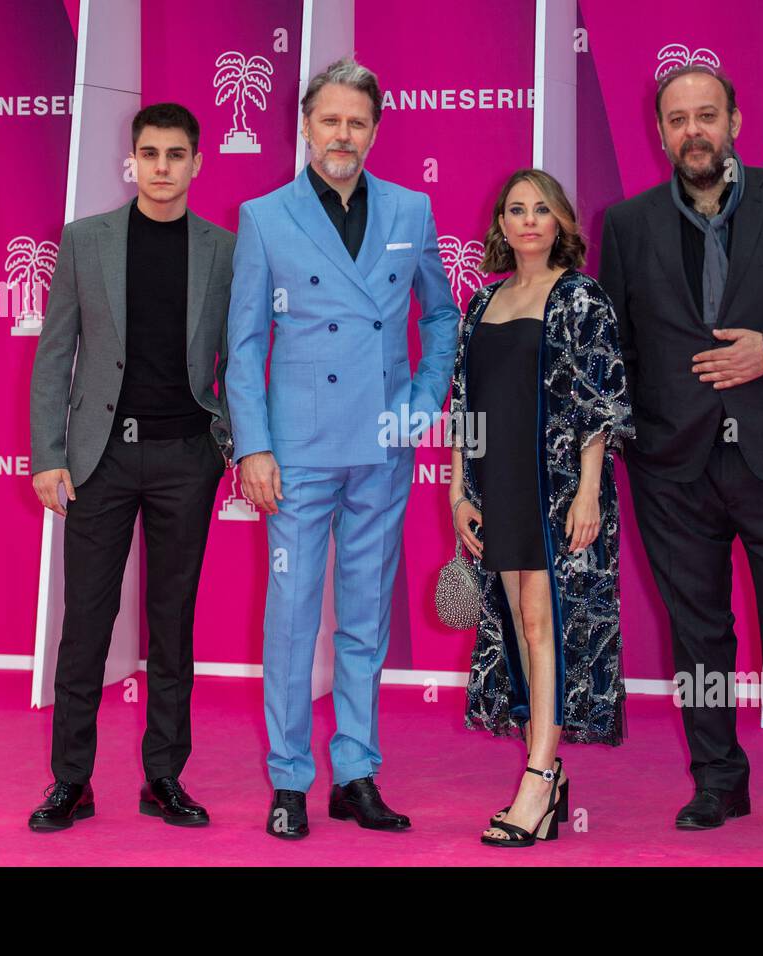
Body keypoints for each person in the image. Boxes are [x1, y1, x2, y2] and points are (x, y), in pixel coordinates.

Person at [599, 65, 763, 844]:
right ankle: (718, 781)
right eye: (678, 119)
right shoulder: (628, 223)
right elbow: (613, 344)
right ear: (660, 132)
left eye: (706, 115)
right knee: (699, 631)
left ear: (736, 121)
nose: (693, 132)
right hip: (671, 465)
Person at [225, 57, 459, 840]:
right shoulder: (263, 217)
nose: (343, 134)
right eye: (330, 119)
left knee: (365, 618)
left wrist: (422, 406)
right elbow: (246, 340)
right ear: (305, 124)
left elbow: (442, 318)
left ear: (376, 130)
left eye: (357, 122)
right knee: (292, 618)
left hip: (381, 448)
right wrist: (254, 448)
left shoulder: (411, 211)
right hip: (297, 453)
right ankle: (290, 779)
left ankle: (356, 772)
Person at [26, 103, 235, 831]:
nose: (162, 168)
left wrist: (227, 444)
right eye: (150, 154)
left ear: (197, 163)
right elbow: (55, 354)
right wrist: (49, 456)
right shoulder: (86, 241)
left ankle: (163, 777)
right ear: (133, 160)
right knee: (85, 623)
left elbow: (240, 360)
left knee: (172, 625)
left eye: (176, 155)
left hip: (187, 458)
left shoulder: (224, 249)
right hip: (100, 459)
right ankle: (71, 782)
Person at [448, 169, 634, 848]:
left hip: (553, 487)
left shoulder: (580, 298)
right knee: (513, 625)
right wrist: (457, 489)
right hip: (496, 483)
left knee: (541, 620)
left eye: (542, 209)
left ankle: (539, 774)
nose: (528, 221)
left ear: (560, 222)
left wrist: (589, 490)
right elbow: (465, 401)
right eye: (516, 210)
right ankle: (544, 771)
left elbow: (599, 401)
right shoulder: (481, 303)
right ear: (501, 223)